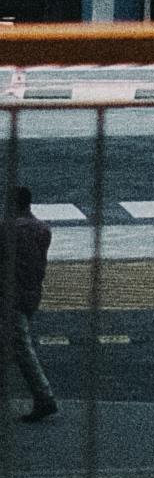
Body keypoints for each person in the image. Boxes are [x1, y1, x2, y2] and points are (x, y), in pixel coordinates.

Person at [7, 162, 54, 422]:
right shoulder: (42, 229)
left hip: (9, 295)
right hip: (31, 293)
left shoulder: (8, 230)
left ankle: (44, 395)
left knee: (21, 347)